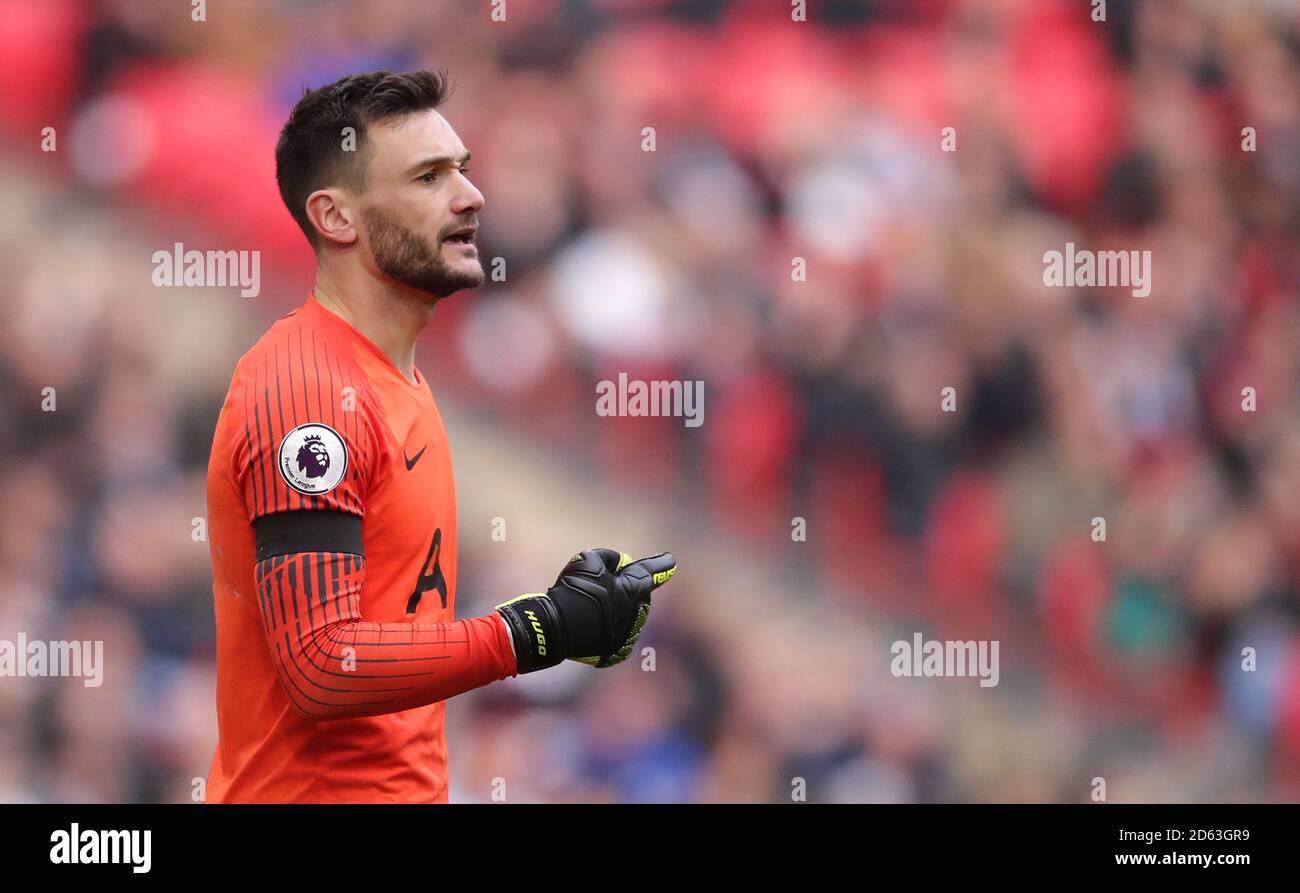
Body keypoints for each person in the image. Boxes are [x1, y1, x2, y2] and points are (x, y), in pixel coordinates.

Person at [203, 70, 676, 803]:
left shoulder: (401, 384)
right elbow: (323, 662)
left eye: (463, 168)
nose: (471, 196)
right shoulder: (308, 390)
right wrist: (534, 632)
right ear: (336, 217)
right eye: (429, 176)